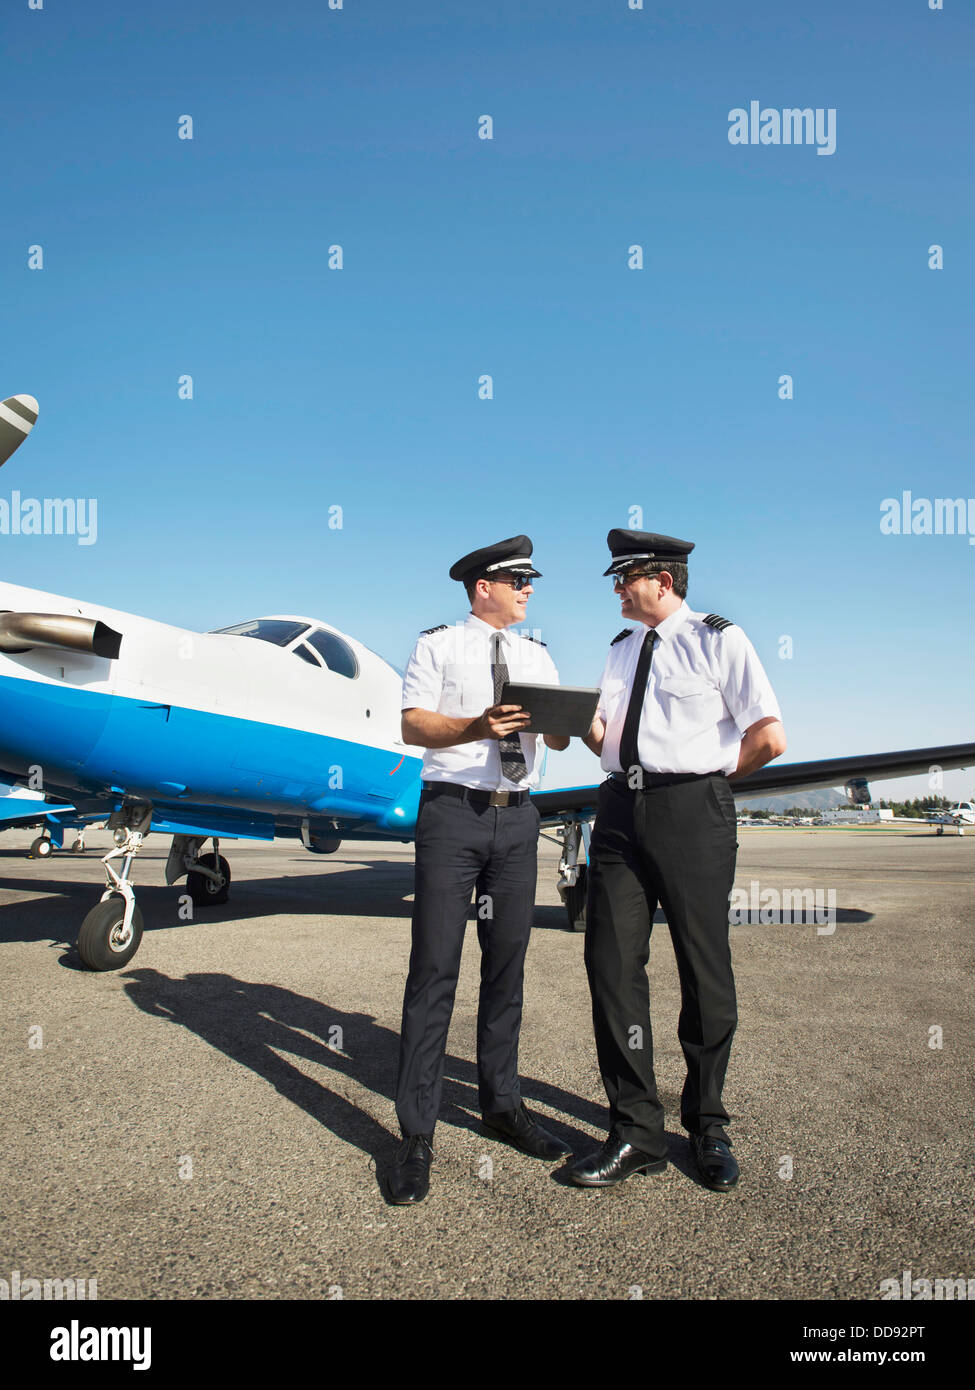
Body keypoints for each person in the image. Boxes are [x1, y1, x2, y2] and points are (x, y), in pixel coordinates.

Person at [568, 528, 786, 1192]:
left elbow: (768, 737)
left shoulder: (720, 639)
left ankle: (707, 1124)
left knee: (702, 967)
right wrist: (569, 717)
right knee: (609, 963)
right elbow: (605, 737)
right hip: (616, 812)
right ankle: (634, 1131)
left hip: (691, 809)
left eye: (624, 577)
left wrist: (711, 780)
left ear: (661, 581)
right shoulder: (618, 649)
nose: (615, 589)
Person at [388, 534, 572, 1205]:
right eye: (517, 579)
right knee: (434, 968)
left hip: (518, 819)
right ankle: (415, 1134)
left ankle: (502, 1106)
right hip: (452, 816)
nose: (528, 589)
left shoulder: (538, 654)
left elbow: (552, 736)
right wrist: (478, 726)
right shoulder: (437, 644)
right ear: (481, 587)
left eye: (532, 580)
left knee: (507, 969)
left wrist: (563, 724)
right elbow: (412, 726)